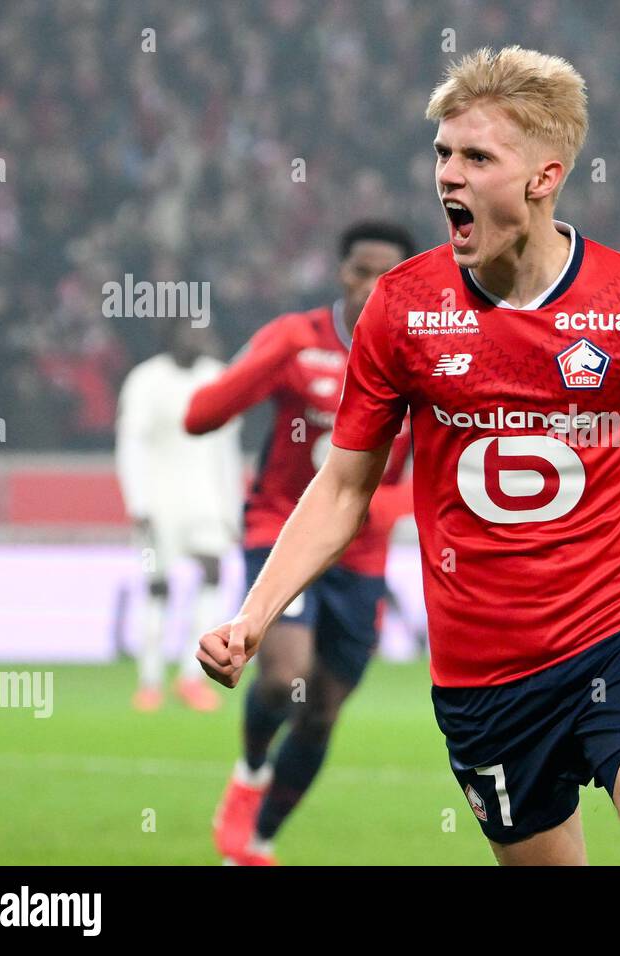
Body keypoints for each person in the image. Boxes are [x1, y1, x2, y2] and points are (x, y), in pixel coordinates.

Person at [197, 46, 620, 866]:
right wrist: (254, 615)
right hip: (485, 674)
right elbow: (344, 485)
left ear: (544, 176)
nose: (448, 177)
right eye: (442, 155)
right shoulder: (402, 309)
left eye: (476, 157)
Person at [185, 220, 416, 865]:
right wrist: (257, 369)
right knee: (285, 674)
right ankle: (251, 770)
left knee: (320, 713)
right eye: (360, 270)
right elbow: (200, 416)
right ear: (342, 273)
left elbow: (439, 470)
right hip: (282, 530)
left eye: (386, 274)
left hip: (362, 560)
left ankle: (256, 842)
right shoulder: (298, 340)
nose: (371, 285)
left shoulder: (423, 357)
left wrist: (387, 508)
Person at [115, 321, 240, 712]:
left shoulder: (218, 377)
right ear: (169, 335)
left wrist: (231, 508)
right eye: (188, 331)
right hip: (159, 499)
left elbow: (226, 449)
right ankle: (150, 681)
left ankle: (191, 676)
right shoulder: (145, 380)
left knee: (213, 576)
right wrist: (138, 503)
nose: (197, 338)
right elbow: (131, 444)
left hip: (204, 499)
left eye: (202, 331)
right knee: (158, 587)